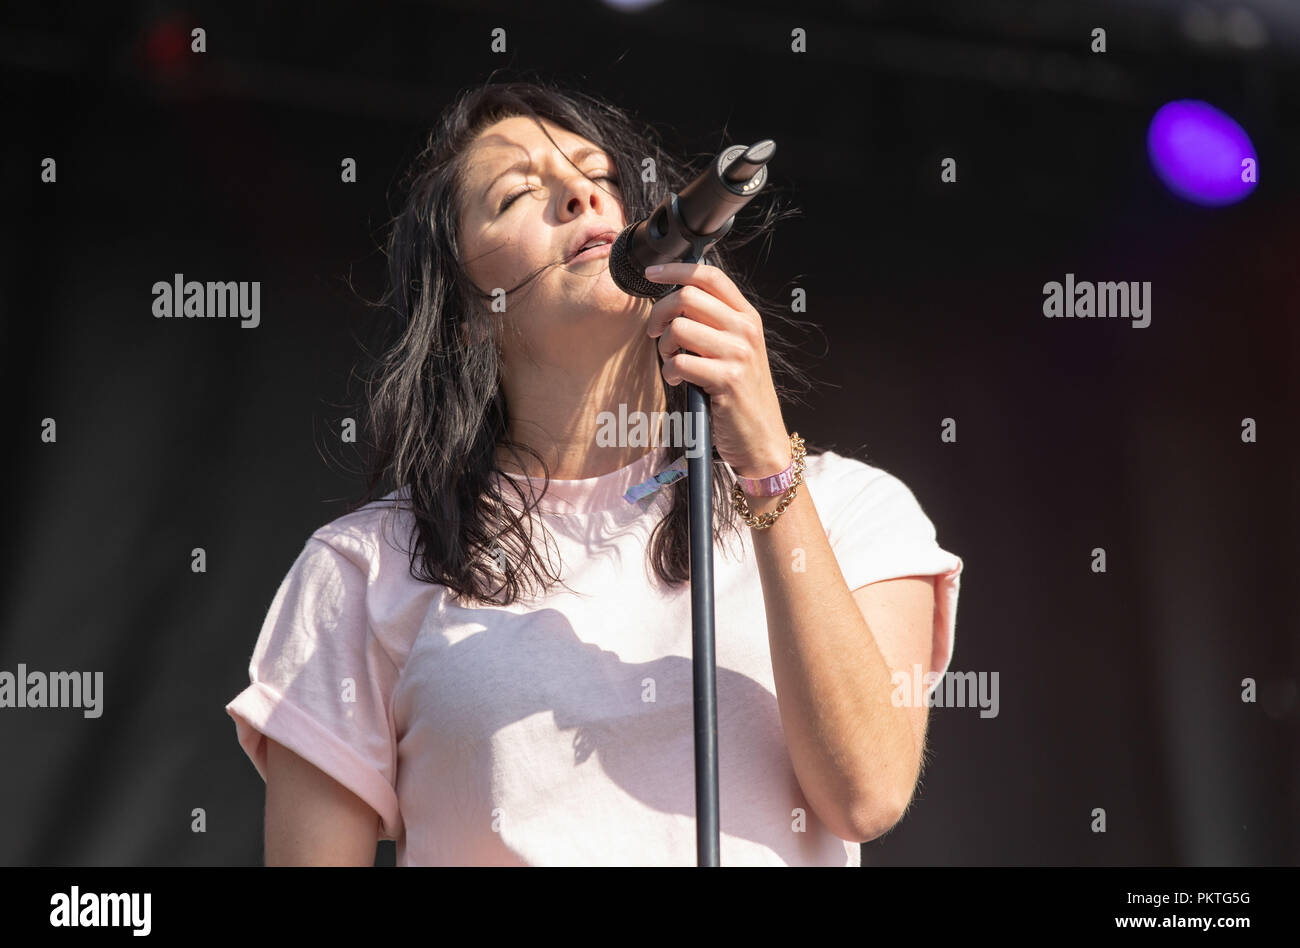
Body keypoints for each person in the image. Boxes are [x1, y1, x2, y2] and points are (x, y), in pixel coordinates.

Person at [225, 76, 963, 866]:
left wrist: (766, 463)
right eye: (515, 195)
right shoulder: (363, 569)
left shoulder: (853, 510)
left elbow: (868, 794)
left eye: (600, 177)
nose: (579, 196)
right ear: (469, 312)